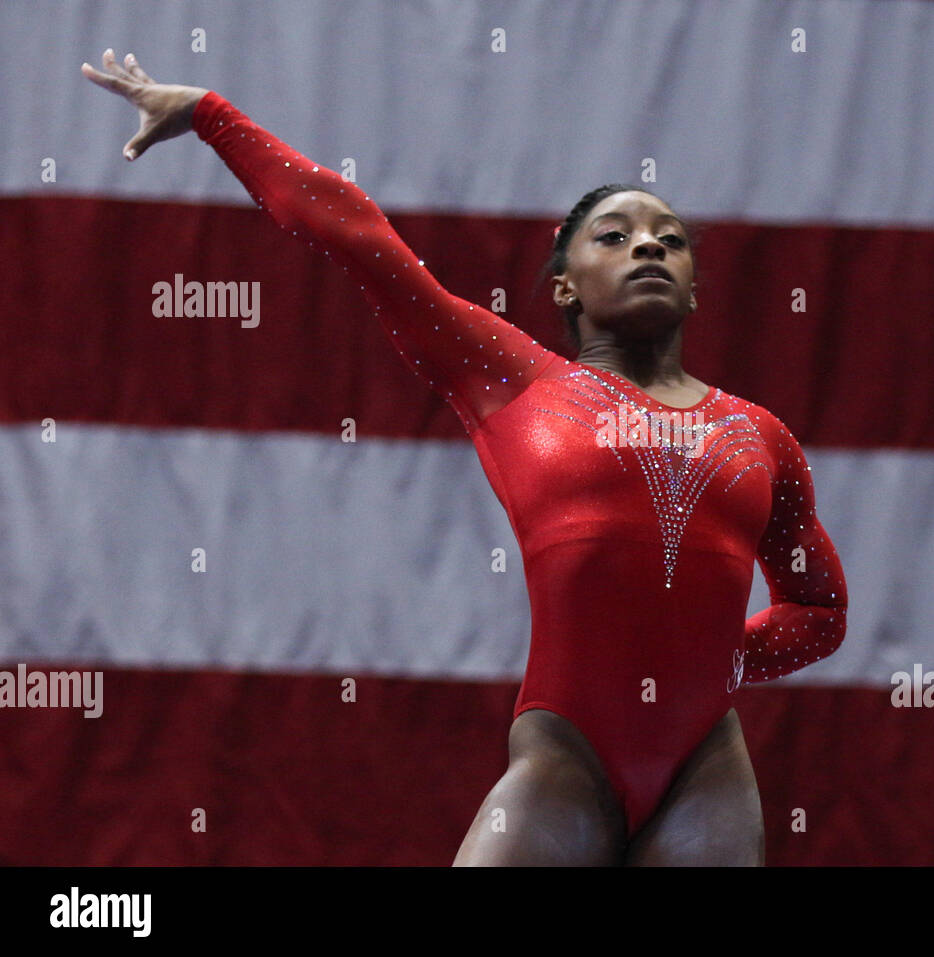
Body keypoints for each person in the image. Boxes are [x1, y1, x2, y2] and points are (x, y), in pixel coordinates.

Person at [82, 49, 848, 866]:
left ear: (695, 287)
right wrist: (210, 114)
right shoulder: (514, 379)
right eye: (616, 236)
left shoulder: (758, 434)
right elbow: (357, 236)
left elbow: (822, 611)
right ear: (564, 285)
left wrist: (723, 655)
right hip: (567, 757)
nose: (649, 248)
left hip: (709, 769)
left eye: (670, 239)